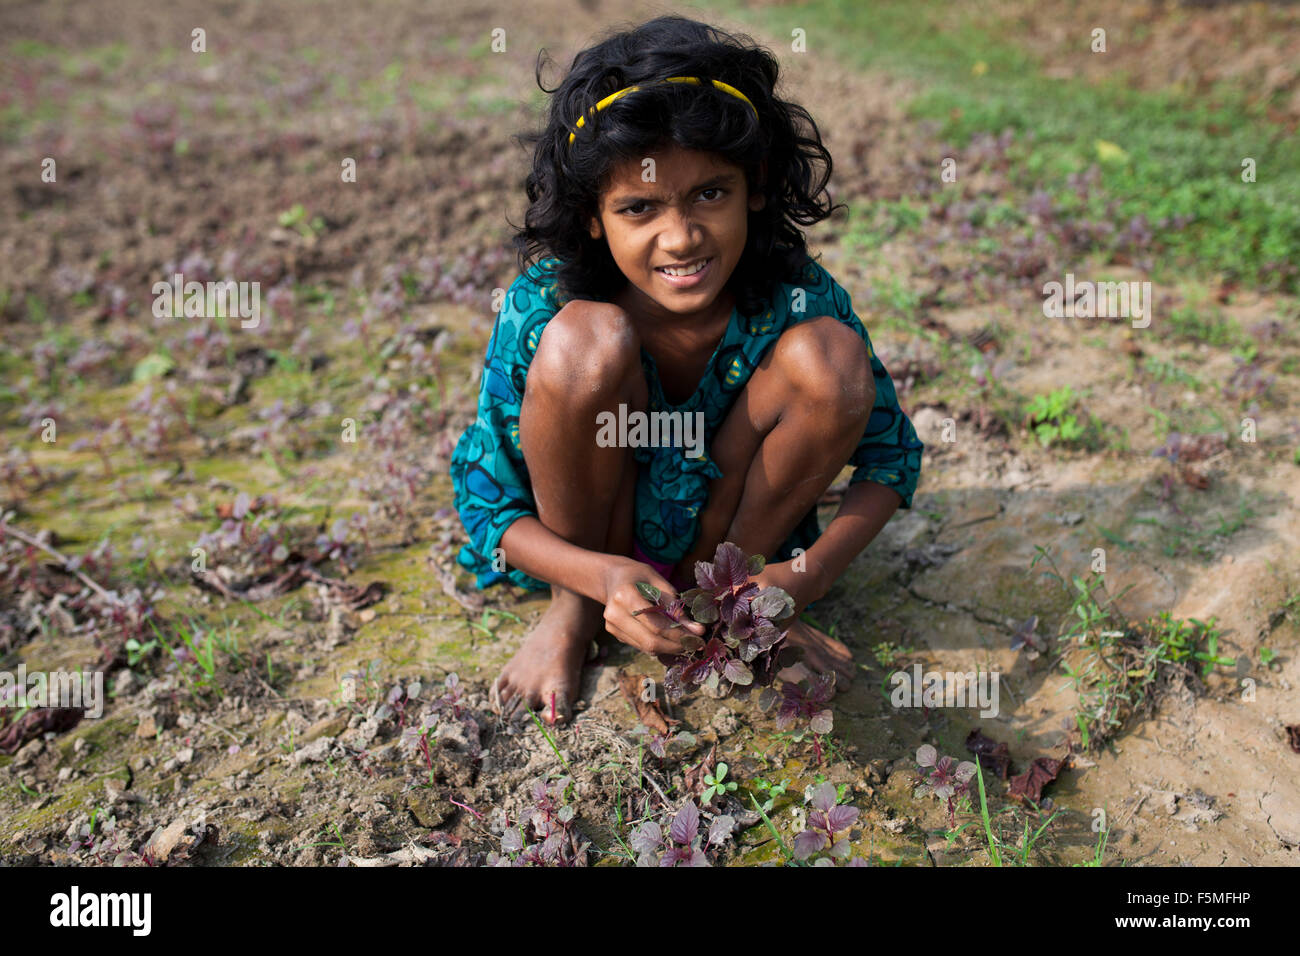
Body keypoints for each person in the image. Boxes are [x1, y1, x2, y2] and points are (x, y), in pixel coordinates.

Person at [449, 15, 924, 725]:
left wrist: (805, 576)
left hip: (733, 536)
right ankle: (572, 615)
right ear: (590, 217)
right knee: (588, 341)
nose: (681, 237)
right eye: (638, 208)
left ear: (755, 185)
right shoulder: (546, 305)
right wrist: (595, 578)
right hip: (593, 537)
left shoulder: (796, 298)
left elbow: (891, 461)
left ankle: (729, 606)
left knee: (829, 360)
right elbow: (486, 500)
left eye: (709, 193)